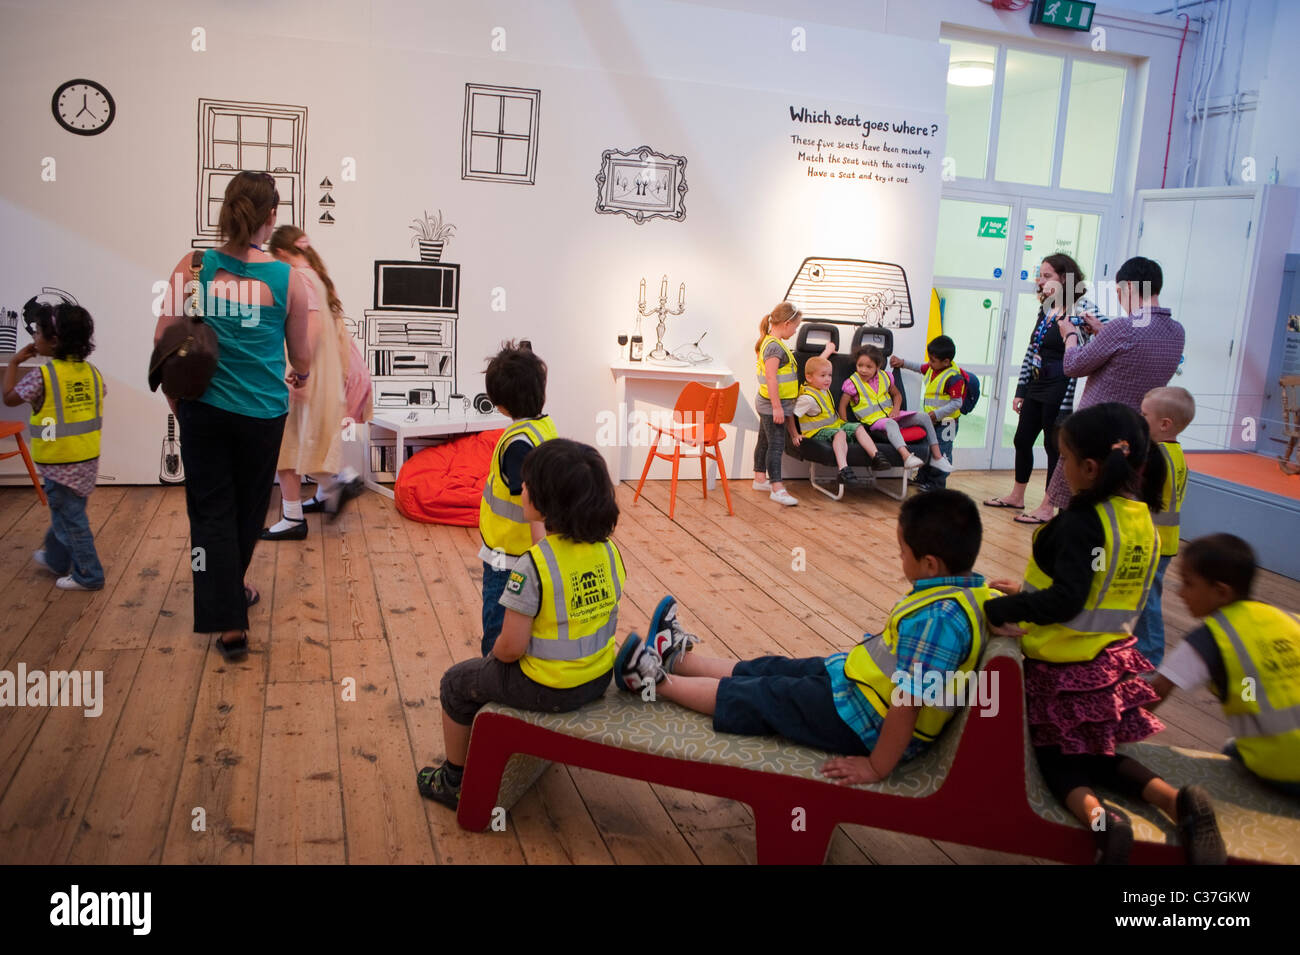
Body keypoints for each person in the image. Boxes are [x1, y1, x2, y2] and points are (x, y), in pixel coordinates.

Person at [615, 490, 998, 785]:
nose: (899, 560)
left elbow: (907, 704)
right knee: (772, 668)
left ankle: (653, 682)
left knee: (765, 696)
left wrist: (876, 767)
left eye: (902, 553)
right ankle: (679, 660)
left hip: (865, 722)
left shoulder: (939, 620)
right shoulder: (978, 593)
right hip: (855, 687)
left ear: (930, 564)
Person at [983, 403, 1225, 864]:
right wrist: (1029, 588)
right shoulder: (1140, 519)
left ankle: (1103, 823)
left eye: (1064, 459)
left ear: (1088, 467)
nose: (1062, 468)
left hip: (1062, 670)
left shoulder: (1078, 523)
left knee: (1056, 763)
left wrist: (1003, 608)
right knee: (1098, 753)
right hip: (1110, 665)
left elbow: (1067, 600)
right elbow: (1100, 585)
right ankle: (1178, 802)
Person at [154, 170, 315, 660]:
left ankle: (227, 616)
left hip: (203, 409)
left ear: (226, 209)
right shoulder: (289, 279)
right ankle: (234, 591)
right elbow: (300, 355)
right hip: (262, 413)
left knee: (210, 513)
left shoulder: (193, 265)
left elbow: (164, 341)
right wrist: (302, 377)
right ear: (272, 217)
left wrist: (176, 402)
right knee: (248, 511)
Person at [418, 439, 624, 808]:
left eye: (528, 485)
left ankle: (453, 781)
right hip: (596, 678)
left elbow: (510, 648)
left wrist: (492, 659)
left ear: (546, 503)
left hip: (547, 687)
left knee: (455, 683)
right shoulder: (608, 551)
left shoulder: (533, 567)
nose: (522, 489)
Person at [1034, 256, 1185, 526]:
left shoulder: (1123, 328)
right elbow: (1136, 358)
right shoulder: (1176, 332)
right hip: (1136, 433)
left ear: (1125, 288)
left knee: (1078, 507)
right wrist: (1103, 332)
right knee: (1114, 508)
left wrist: (1069, 334)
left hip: (1096, 427)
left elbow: (1073, 366)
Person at [1150, 534, 1300, 798]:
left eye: (1188, 584)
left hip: (1287, 769)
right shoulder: (1288, 620)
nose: (1180, 592)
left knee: (1232, 751)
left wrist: (1111, 737)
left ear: (1221, 592)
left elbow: (1155, 693)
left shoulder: (1210, 640)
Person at [259, 226, 362, 540]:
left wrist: (298, 372)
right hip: (322, 376)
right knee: (307, 441)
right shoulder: (315, 276)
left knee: (286, 445)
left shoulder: (300, 278)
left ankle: (293, 517)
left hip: (309, 376)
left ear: (280, 254)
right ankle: (332, 486)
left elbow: (312, 328)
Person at [984, 254, 1103, 523]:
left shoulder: (1082, 306)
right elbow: (1032, 350)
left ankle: (1048, 507)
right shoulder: (1047, 308)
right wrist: (1021, 390)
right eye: (1041, 275)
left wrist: (1088, 332)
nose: (1041, 280)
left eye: (1047, 276)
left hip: (1060, 385)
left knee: (1054, 447)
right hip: (1038, 383)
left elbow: (1107, 333)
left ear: (1065, 279)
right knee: (1022, 439)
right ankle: (1017, 495)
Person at [3, 301, 106, 591]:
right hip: (86, 460)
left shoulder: (43, 376)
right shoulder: (92, 373)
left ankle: (90, 575)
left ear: (54, 340)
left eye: (37, 333)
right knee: (65, 513)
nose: (33, 338)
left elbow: (9, 397)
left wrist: (14, 362)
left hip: (59, 463)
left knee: (71, 522)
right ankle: (56, 559)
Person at [476, 341, 556, 656]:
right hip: (522, 554)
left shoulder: (517, 444)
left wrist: (542, 558)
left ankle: (491, 686)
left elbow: (532, 507)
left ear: (500, 403)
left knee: (498, 630)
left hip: (508, 558)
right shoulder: (544, 428)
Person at [1133, 385, 1195, 665]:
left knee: (1148, 604)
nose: (1139, 418)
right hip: (1164, 541)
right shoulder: (1178, 455)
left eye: (1144, 415)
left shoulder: (1158, 457)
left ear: (1164, 424)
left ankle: (1149, 657)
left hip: (1154, 541)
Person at [752, 302, 833, 507]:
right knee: (777, 445)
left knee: (764, 441)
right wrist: (778, 407)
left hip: (770, 404)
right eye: (795, 326)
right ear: (787, 323)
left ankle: (760, 479)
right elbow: (771, 378)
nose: (796, 330)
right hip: (772, 406)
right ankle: (777, 488)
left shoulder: (774, 343)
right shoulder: (773, 346)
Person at [841, 344, 952, 476]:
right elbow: (842, 406)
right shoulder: (852, 383)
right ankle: (906, 457)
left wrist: (896, 409)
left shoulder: (885, 377)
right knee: (890, 423)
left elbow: (897, 395)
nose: (863, 370)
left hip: (892, 415)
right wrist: (846, 426)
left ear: (878, 366)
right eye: (860, 365)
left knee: (924, 417)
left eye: (868, 366)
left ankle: (937, 457)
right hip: (873, 422)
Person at [790, 355, 884, 486]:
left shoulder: (823, 389)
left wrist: (828, 351)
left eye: (829, 375)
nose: (828, 379)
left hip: (834, 426)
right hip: (816, 432)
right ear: (809, 377)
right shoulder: (807, 398)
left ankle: (876, 457)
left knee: (857, 427)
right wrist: (795, 435)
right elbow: (790, 415)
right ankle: (843, 470)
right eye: (823, 376)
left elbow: (816, 367)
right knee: (840, 434)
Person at [889, 335, 964, 491]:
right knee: (928, 448)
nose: (929, 363)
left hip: (946, 423)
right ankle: (922, 478)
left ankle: (936, 484)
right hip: (932, 421)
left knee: (942, 453)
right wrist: (902, 363)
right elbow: (919, 367)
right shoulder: (933, 368)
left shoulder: (953, 377)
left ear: (946, 362)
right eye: (929, 359)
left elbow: (957, 403)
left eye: (933, 360)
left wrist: (937, 414)